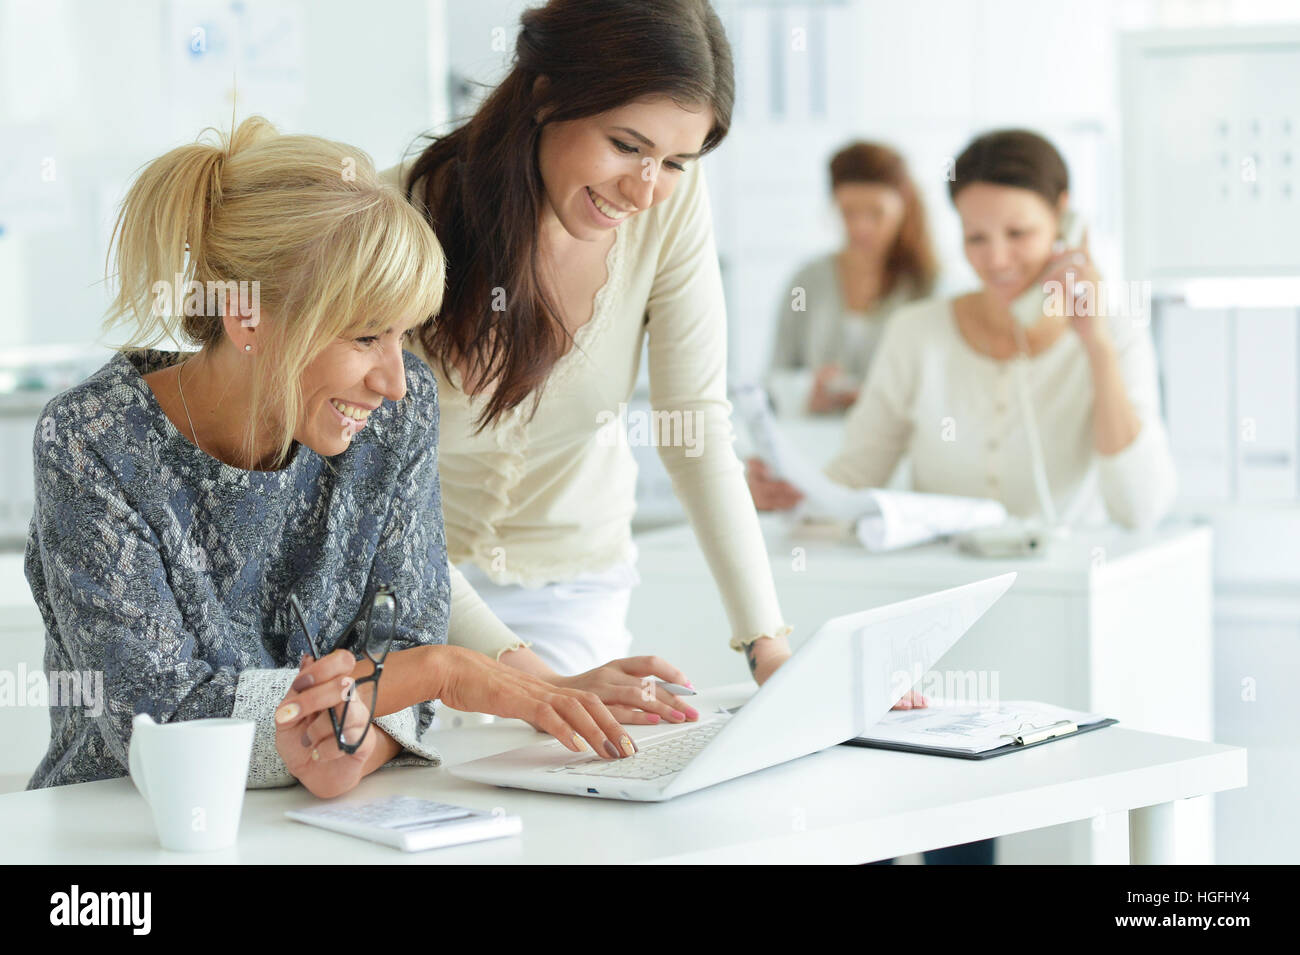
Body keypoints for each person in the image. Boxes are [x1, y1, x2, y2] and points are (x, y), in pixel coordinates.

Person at [25, 117, 639, 799]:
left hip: (330, 823)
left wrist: (364, 742)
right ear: (247, 317)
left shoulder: (396, 414)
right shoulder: (94, 441)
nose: (395, 379)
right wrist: (437, 670)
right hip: (122, 829)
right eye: (367, 336)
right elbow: (164, 717)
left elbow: (403, 636)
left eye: (402, 335)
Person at [384, 0, 800, 722]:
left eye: (675, 161)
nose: (644, 188)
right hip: (406, 587)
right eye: (625, 145)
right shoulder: (400, 217)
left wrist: (770, 647)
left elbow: (694, 428)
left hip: (572, 584)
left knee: (575, 801)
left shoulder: (670, 206)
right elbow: (378, 508)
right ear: (547, 94)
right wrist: (531, 684)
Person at [748, 128, 1178, 533]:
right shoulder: (916, 333)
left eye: (1018, 233)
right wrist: (789, 493)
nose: (997, 259)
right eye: (976, 238)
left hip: (1067, 590)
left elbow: (1139, 509)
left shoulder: (1115, 336)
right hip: (939, 592)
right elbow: (854, 479)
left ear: (1065, 220)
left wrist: (1096, 346)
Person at [764, 141, 937, 419]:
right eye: (848, 212)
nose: (860, 227)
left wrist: (881, 398)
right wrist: (805, 392)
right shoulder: (806, 281)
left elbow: (948, 394)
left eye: (876, 213)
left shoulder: (931, 288)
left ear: (903, 208)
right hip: (814, 444)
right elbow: (774, 380)